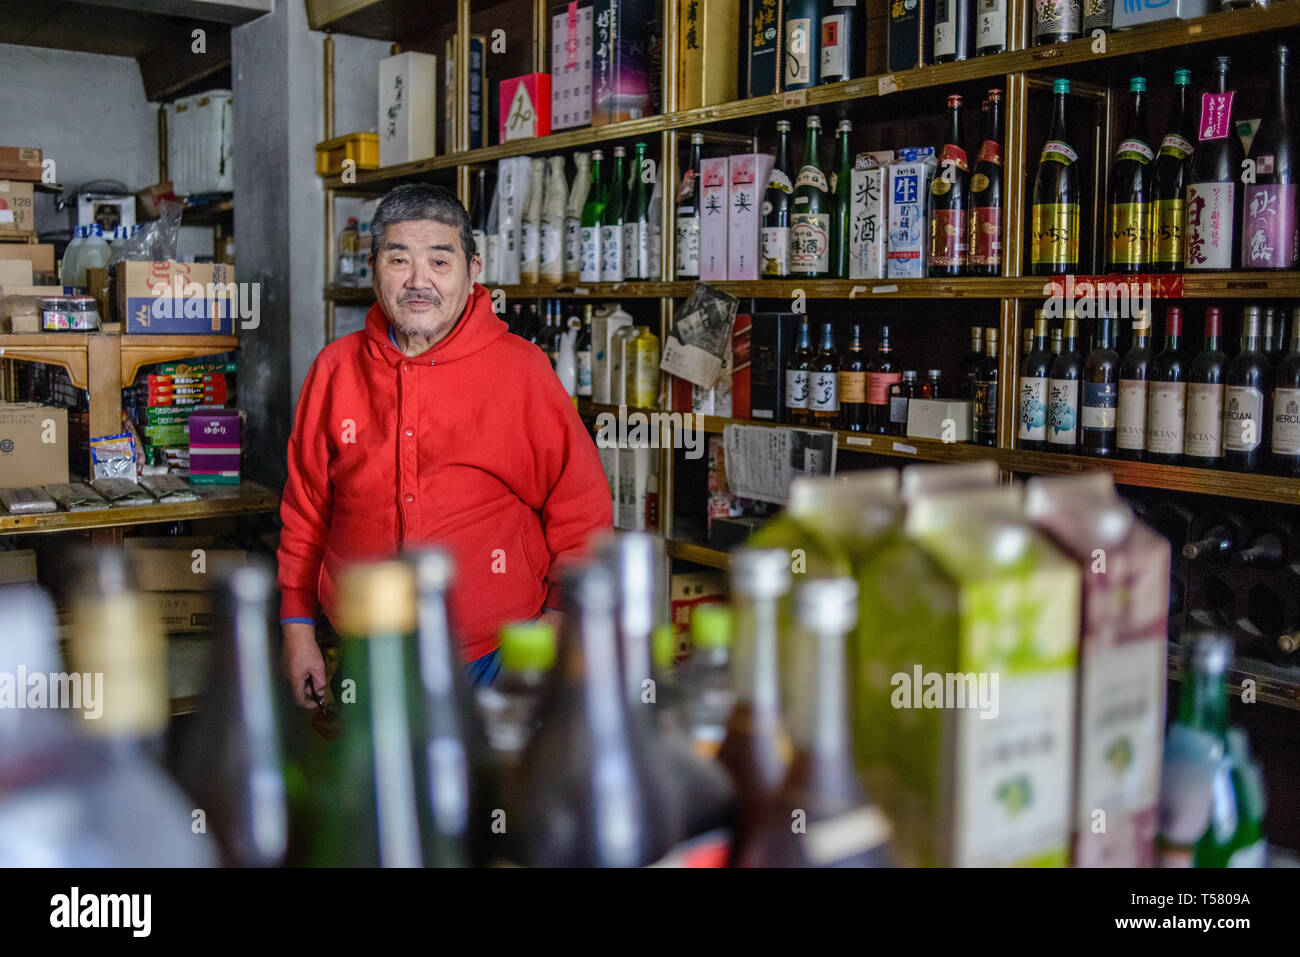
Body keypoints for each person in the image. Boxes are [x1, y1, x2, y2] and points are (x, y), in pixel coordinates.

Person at [278, 183, 612, 704]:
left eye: (439, 261)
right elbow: (306, 511)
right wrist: (297, 628)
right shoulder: (335, 369)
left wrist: (559, 616)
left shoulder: (522, 370)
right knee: (382, 782)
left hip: (496, 650)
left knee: (496, 785)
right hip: (367, 644)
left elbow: (581, 507)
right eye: (399, 260)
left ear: (473, 270)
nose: (418, 281)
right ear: (372, 269)